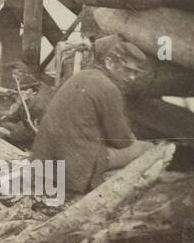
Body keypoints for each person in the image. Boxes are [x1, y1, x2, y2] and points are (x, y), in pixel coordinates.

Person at [30, 36, 156, 196]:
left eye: (135, 73)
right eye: (127, 70)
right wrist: (131, 138)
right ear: (110, 63)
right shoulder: (110, 89)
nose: (131, 77)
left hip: (43, 160)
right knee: (147, 148)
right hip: (73, 168)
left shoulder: (82, 75)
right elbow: (121, 141)